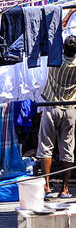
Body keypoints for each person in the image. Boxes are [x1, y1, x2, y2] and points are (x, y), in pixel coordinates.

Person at [38, 35, 76, 196]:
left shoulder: (55, 58)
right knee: (67, 148)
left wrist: (66, 16)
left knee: (46, 147)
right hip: (70, 108)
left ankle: (47, 186)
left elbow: (53, 36)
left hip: (51, 106)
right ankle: (65, 189)